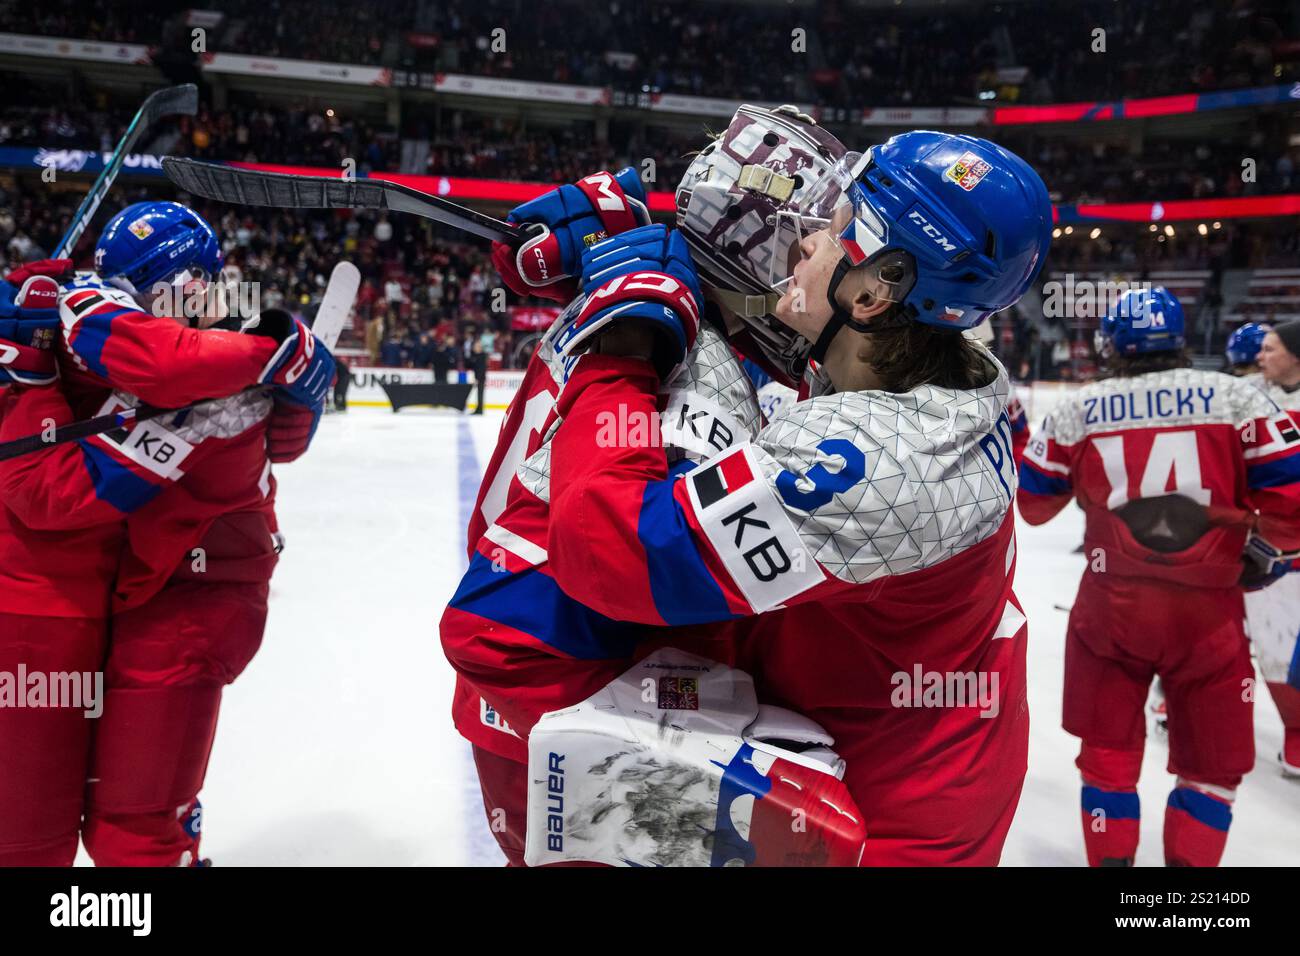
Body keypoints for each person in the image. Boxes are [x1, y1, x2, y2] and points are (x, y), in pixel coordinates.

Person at [450, 121, 1050, 865]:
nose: (799, 244)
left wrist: (625, 339)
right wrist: (644, 246)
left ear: (873, 291)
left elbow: (610, 550)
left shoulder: (872, 465)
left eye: (834, 229)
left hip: (889, 829)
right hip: (927, 761)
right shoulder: (945, 360)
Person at [0, 201, 334, 866]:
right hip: (111, 599)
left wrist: (27, 372)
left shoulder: (214, 376)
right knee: (31, 828)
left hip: (188, 604)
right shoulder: (122, 320)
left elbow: (57, 487)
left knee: (134, 825)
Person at [1018, 288, 1300, 866]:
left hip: (1110, 612)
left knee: (1107, 759)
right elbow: (1292, 502)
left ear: (1113, 343)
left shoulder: (1081, 407)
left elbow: (1034, 504)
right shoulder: (1241, 399)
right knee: (1211, 770)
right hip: (1209, 614)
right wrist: (1261, 551)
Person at [1244, 320, 1300, 776]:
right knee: (1268, 643)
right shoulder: (1245, 396)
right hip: (1261, 545)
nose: (1260, 356)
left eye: (1270, 348)